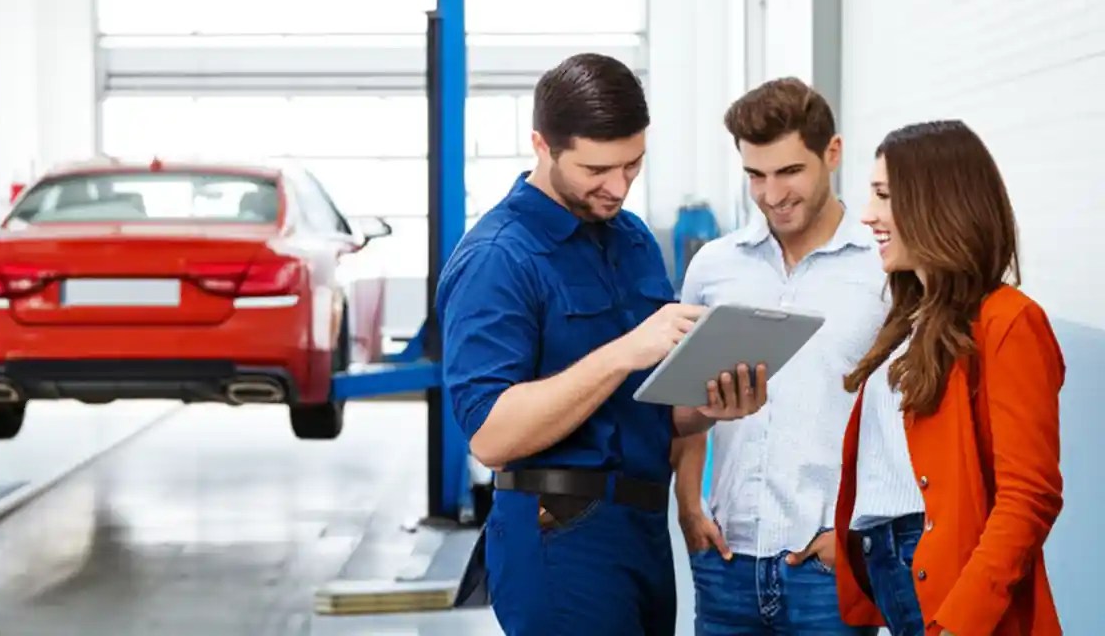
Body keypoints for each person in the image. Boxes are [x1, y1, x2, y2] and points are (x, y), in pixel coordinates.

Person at [436, 52, 767, 636]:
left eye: (632, 165)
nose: (617, 187)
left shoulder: (631, 239)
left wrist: (708, 407)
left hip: (641, 528)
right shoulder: (497, 259)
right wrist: (622, 353)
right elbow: (490, 436)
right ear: (542, 145)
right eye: (596, 169)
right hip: (560, 532)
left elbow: (653, 411)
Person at [672, 77, 888, 635]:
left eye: (790, 171)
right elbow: (687, 399)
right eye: (755, 175)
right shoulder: (714, 267)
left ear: (832, 153)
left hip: (828, 566)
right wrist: (689, 503)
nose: (772, 195)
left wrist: (854, 537)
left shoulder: (883, 269)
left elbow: (908, 420)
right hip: (725, 561)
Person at [832, 120, 1065, 636]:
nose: (868, 215)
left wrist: (958, 624)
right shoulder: (910, 320)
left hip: (947, 589)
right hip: (896, 575)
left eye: (884, 196)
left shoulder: (1008, 320)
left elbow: (1028, 498)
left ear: (936, 203)